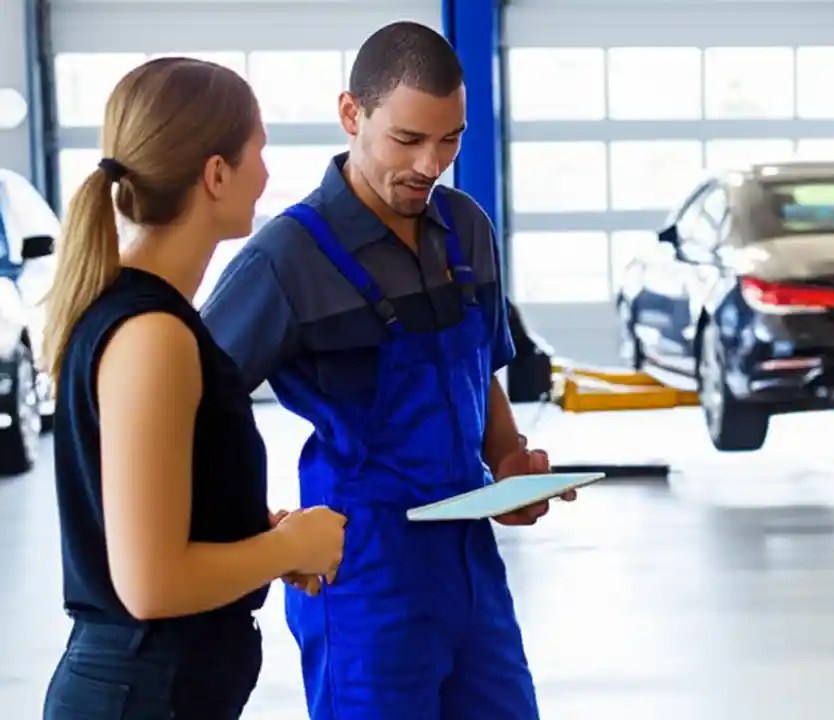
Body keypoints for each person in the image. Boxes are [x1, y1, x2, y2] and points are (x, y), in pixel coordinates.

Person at [200, 21, 570, 720]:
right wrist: (259, 534)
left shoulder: (466, 229)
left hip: (470, 561)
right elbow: (187, 411)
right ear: (351, 114)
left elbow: (478, 368)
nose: (432, 164)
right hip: (363, 570)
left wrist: (510, 462)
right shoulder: (285, 259)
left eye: (450, 139)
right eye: (408, 139)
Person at [40, 57, 347, 720]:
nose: (266, 175)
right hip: (142, 694)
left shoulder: (143, 317)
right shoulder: (153, 334)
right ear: (215, 174)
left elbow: (157, 525)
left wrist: (252, 537)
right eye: (258, 150)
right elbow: (150, 584)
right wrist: (289, 548)